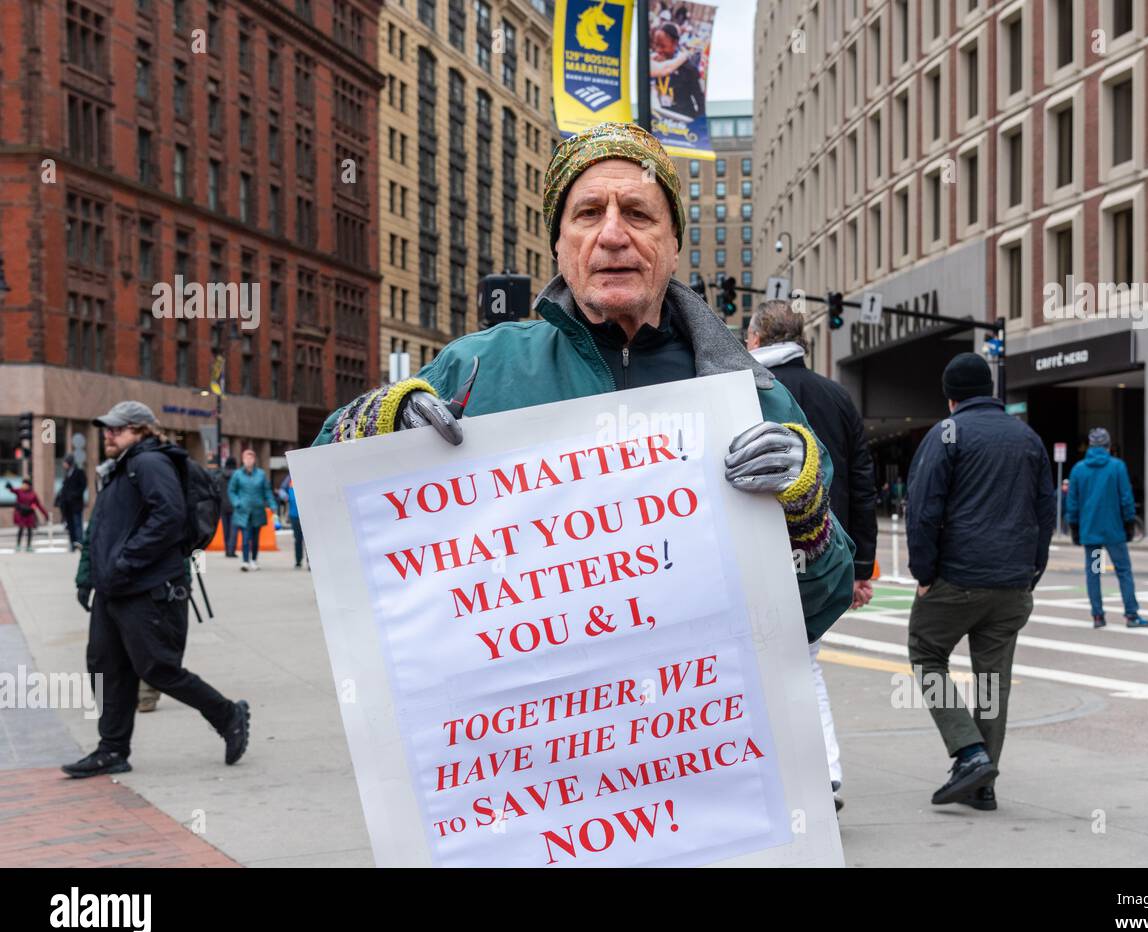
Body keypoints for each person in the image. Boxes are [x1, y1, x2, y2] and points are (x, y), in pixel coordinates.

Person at [313, 124, 855, 751]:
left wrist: (804, 513)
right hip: (521, 769)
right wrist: (381, 429)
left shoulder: (750, 397)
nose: (614, 235)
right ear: (560, 245)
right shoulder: (477, 369)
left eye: (640, 214)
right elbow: (328, 509)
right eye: (589, 213)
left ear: (674, 243)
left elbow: (820, 602)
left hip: (690, 760)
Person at [62, 400, 248, 779]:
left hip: (146, 587)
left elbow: (169, 515)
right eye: (108, 428)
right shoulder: (121, 468)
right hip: (114, 589)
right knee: (107, 668)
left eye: (118, 428)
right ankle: (111, 749)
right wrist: (91, 576)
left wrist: (125, 562)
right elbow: (103, 527)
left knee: (157, 667)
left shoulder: (149, 462)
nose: (109, 434)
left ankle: (227, 714)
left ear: (143, 429)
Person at [905, 354, 1056, 811]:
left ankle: (970, 755)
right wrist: (1032, 572)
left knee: (926, 653)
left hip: (957, 577)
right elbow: (1046, 512)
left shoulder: (946, 434)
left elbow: (923, 509)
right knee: (993, 680)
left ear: (950, 396)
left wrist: (924, 574)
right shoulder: (1027, 437)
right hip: (1012, 583)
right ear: (989, 389)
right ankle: (983, 784)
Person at [747, 300, 878, 809]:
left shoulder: (745, 389)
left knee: (778, 665)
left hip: (761, 552)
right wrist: (861, 568)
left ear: (756, 339)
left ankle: (813, 772)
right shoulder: (836, 396)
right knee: (804, 658)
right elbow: (863, 483)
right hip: (823, 554)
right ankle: (822, 771)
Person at [1065, 428, 1148, 629]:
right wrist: (1129, 523)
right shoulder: (1117, 467)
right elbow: (1126, 499)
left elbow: (1073, 503)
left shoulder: (1078, 469)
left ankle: (1098, 615)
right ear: (1108, 446)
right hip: (1114, 531)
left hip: (1091, 531)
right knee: (1123, 571)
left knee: (1094, 572)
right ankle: (1131, 614)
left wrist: (1075, 527)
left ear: (1090, 446)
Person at [227, 449, 276, 571]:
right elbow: (231, 490)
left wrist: (272, 504)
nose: (248, 461)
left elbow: (267, 491)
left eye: (251, 458)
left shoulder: (261, 474)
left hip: (257, 511)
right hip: (243, 511)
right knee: (245, 538)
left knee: (255, 539)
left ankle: (253, 560)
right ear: (243, 460)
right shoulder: (237, 474)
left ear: (254, 460)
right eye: (246, 458)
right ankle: (245, 561)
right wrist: (237, 502)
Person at [6, 478, 49, 552]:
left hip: (29, 514)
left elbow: (38, 505)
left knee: (29, 530)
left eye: (24, 484)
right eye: (22, 484)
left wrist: (45, 514)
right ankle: (18, 545)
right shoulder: (19, 491)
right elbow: (13, 490)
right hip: (21, 513)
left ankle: (28, 546)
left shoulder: (33, 494)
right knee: (21, 529)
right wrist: (10, 487)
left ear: (28, 485)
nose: (23, 485)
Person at [56, 454, 88, 550]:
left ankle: (79, 542)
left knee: (77, 523)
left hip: (76, 504)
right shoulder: (67, 474)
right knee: (70, 525)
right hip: (67, 505)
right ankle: (72, 543)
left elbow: (83, 485)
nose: (63, 464)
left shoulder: (79, 472)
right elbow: (64, 488)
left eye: (65, 462)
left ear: (69, 463)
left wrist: (75, 495)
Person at [279, 474, 306, 569]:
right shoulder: (290, 478)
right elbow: (282, 490)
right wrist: (285, 496)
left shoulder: (308, 475)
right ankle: (298, 561)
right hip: (294, 514)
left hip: (308, 514)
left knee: (309, 540)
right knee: (298, 539)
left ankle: (310, 562)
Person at [217, 456, 238, 558]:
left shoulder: (220, 476)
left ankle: (226, 550)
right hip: (234, 506)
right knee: (233, 530)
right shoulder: (237, 475)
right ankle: (231, 550)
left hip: (223, 506)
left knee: (225, 530)